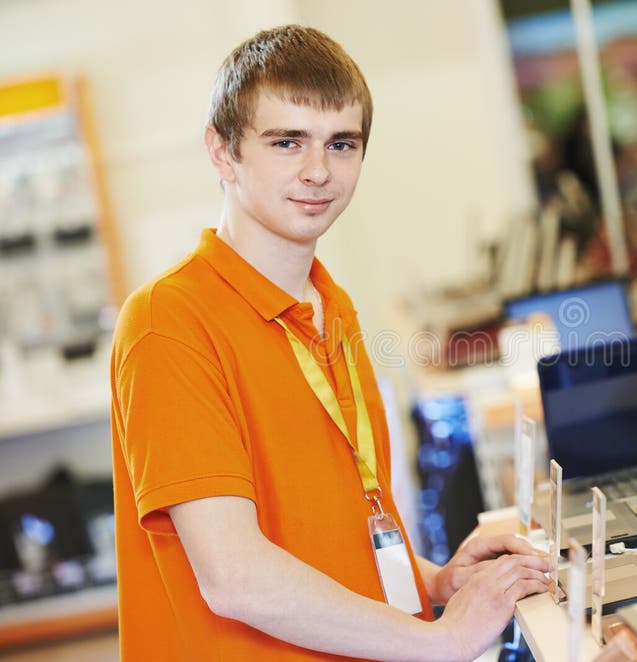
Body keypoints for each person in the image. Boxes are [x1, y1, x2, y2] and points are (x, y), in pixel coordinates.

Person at [110, 25, 548, 661]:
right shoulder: (169, 322)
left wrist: (437, 584)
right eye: (286, 142)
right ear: (222, 151)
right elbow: (235, 577)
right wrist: (444, 641)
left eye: (341, 144)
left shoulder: (329, 305)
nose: (318, 171)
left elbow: (330, 537)